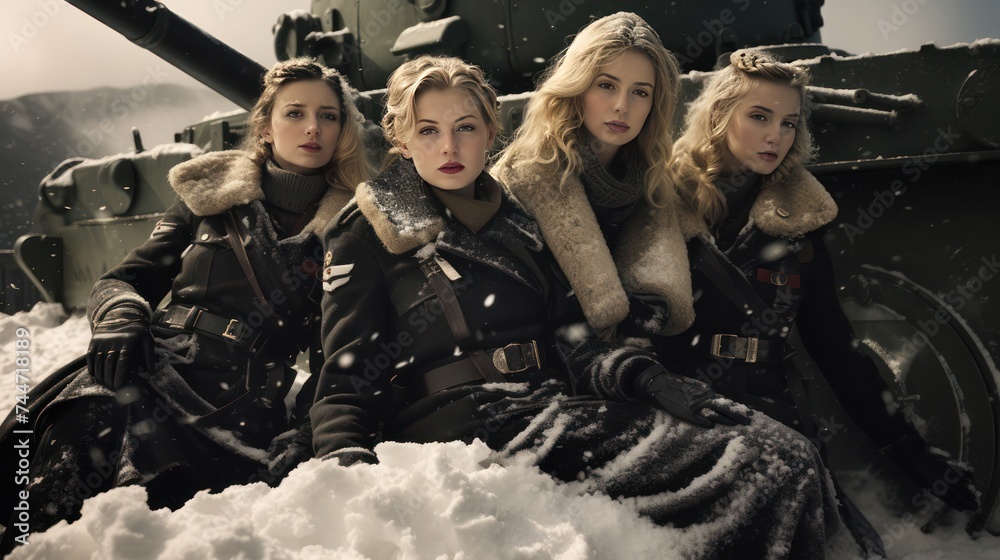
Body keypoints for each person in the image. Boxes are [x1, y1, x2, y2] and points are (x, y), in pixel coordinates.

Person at [311, 52, 840, 559]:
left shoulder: (521, 224)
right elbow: (345, 378)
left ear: (491, 134)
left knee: (783, 455)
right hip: (463, 430)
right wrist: (346, 471)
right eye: (428, 130)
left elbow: (573, 339)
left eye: (465, 127)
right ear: (401, 140)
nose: (449, 145)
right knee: (774, 461)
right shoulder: (368, 230)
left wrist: (647, 379)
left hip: (547, 413)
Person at [0, 57, 370, 545]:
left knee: (160, 516)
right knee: (72, 454)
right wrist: (120, 316)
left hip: (240, 400)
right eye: (295, 113)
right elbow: (126, 278)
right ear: (265, 126)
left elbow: (339, 353)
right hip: (149, 361)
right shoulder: (209, 193)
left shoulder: (352, 224)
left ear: (343, 129)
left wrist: (309, 431)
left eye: (328, 116)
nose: (312, 128)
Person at [644, 49, 980, 556]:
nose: (776, 136)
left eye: (789, 123)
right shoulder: (658, 201)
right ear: (718, 116)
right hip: (674, 408)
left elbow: (836, 347)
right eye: (760, 117)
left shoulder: (799, 224)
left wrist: (908, 448)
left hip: (769, 414)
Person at [492, 12, 691, 341]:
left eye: (640, 92)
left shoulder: (656, 185)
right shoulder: (522, 180)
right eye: (606, 85)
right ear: (577, 87)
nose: (621, 106)